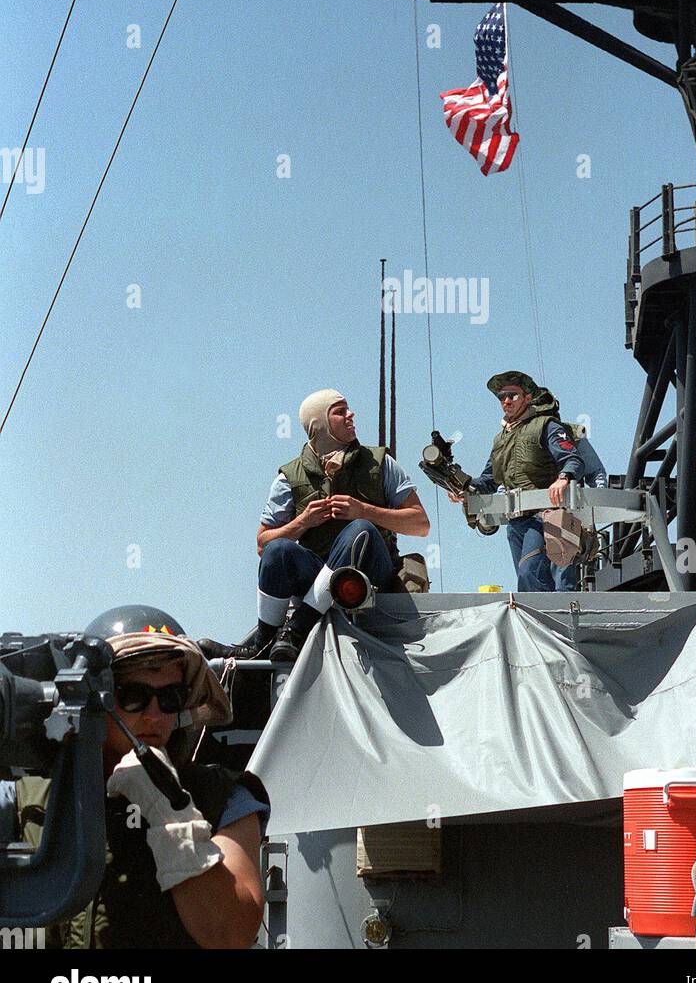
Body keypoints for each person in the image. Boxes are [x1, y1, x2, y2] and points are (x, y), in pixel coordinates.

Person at [12, 605, 269, 950]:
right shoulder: (24, 797)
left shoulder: (223, 799)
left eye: (170, 698)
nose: (154, 715)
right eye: (132, 696)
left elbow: (230, 934)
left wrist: (171, 814)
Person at [214, 389, 430, 663]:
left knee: (360, 529)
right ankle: (263, 642)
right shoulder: (289, 477)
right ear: (319, 424)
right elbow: (262, 544)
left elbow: (420, 524)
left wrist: (364, 510)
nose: (351, 415)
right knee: (278, 549)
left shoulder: (379, 463)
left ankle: (298, 628)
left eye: (347, 409)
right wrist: (302, 522)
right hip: (318, 577)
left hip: (372, 577)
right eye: (340, 411)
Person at [456, 371, 606, 593]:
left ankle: (558, 623)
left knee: (535, 575)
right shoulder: (501, 439)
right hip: (517, 522)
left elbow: (573, 459)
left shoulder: (547, 426)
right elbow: (489, 479)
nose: (506, 401)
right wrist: (464, 489)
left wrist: (563, 478)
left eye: (512, 396)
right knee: (529, 586)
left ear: (527, 398)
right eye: (501, 397)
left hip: (545, 517)